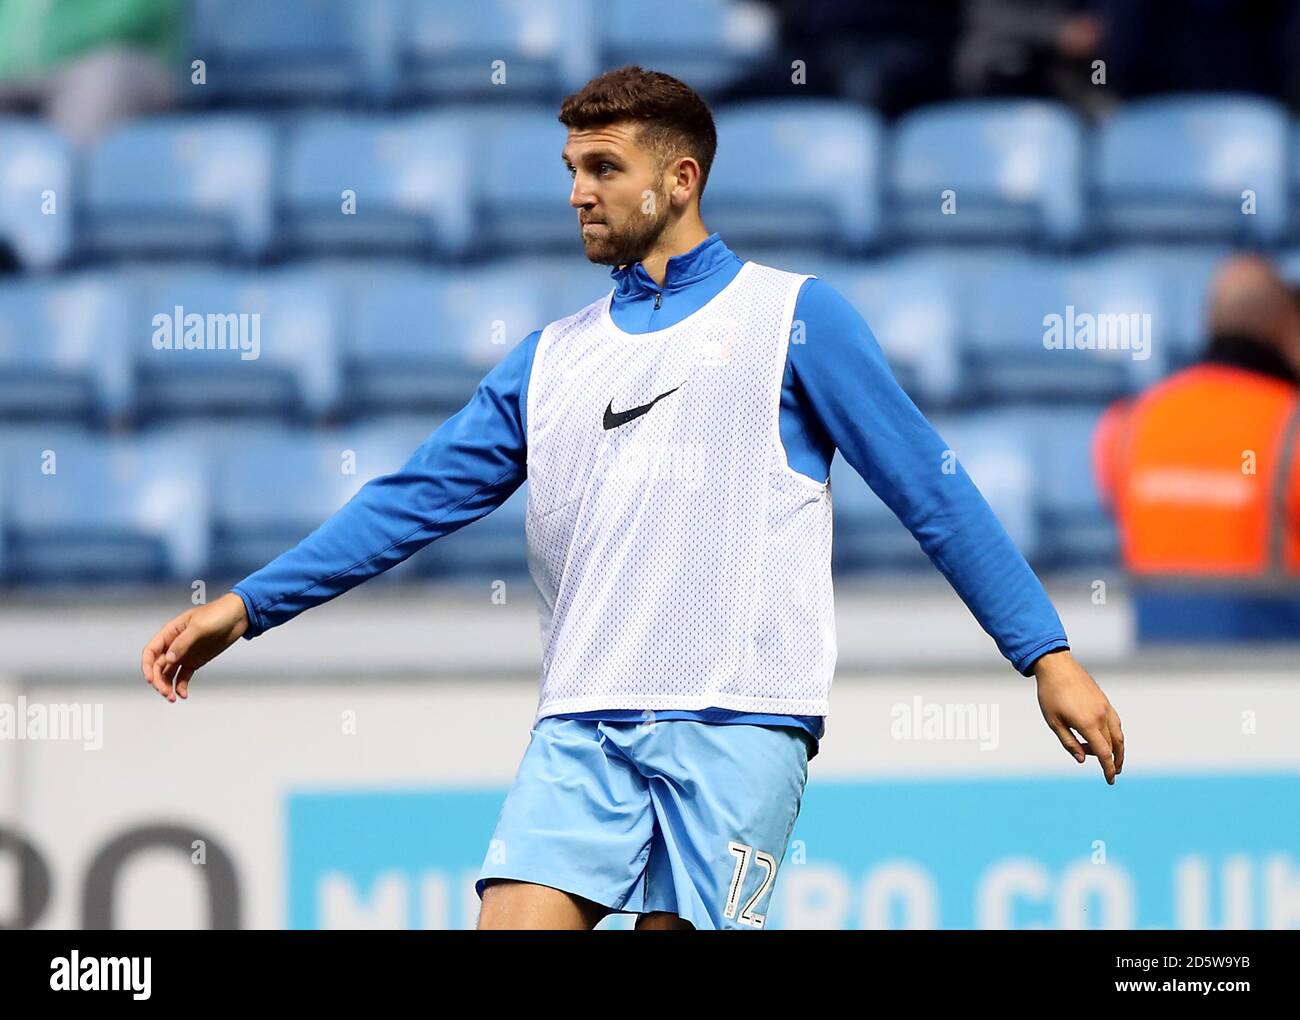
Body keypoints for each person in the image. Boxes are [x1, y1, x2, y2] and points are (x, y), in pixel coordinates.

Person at [141, 65, 1124, 931]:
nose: (578, 193)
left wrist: (1045, 652)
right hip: (580, 725)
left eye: (603, 168)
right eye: (570, 169)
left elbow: (933, 493)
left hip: (736, 722)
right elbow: (411, 499)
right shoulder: (551, 358)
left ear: (679, 178)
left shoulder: (796, 316)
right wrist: (247, 604)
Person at [1094, 254, 1300, 641]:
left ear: (1210, 324)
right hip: (1276, 679)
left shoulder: (1126, 422)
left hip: (1159, 674)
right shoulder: (1291, 426)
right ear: (1287, 330)